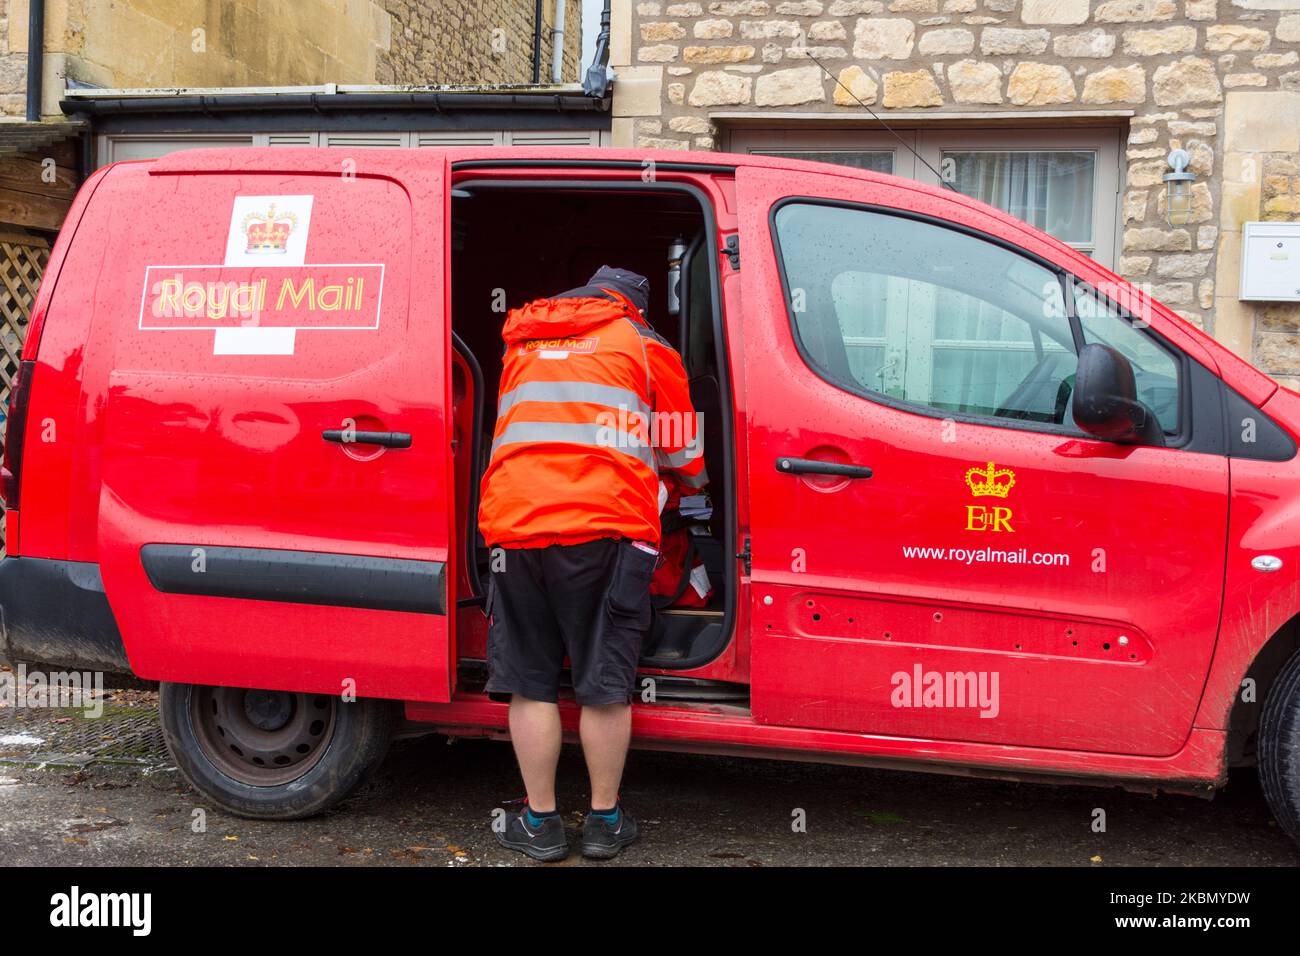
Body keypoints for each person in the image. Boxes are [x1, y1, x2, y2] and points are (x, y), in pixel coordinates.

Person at [478, 266, 706, 861]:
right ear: (634, 306)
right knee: (605, 686)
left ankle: (539, 823)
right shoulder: (646, 345)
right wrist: (688, 480)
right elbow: (686, 454)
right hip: (607, 530)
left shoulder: (523, 341)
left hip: (517, 525)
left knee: (530, 683)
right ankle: (604, 823)